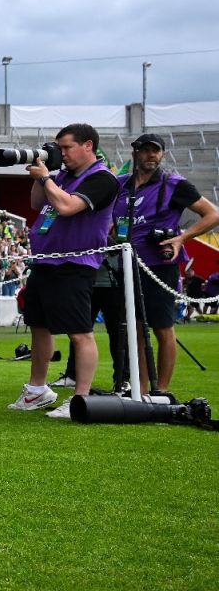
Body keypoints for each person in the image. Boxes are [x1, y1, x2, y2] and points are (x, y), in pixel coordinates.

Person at [11, 124, 118, 417]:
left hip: (74, 264)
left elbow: (69, 207)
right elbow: (37, 203)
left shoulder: (102, 178)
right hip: (46, 261)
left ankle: (80, 399)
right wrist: (42, 174)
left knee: (79, 332)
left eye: (67, 147)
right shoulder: (64, 176)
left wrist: (46, 177)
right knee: (39, 325)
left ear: (88, 146)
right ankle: (37, 390)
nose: (63, 154)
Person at [112, 132, 219, 394]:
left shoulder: (174, 184)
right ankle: (141, 388)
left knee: (162, 328)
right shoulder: (120, 184)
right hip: (127, 265)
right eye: (146, 150)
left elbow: (213, 214)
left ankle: (162, 390)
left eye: (156, 151)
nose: (151, 155)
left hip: (160, 267)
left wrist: (182, 238)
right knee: (136, 329)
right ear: (134, 153)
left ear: (162, 154)